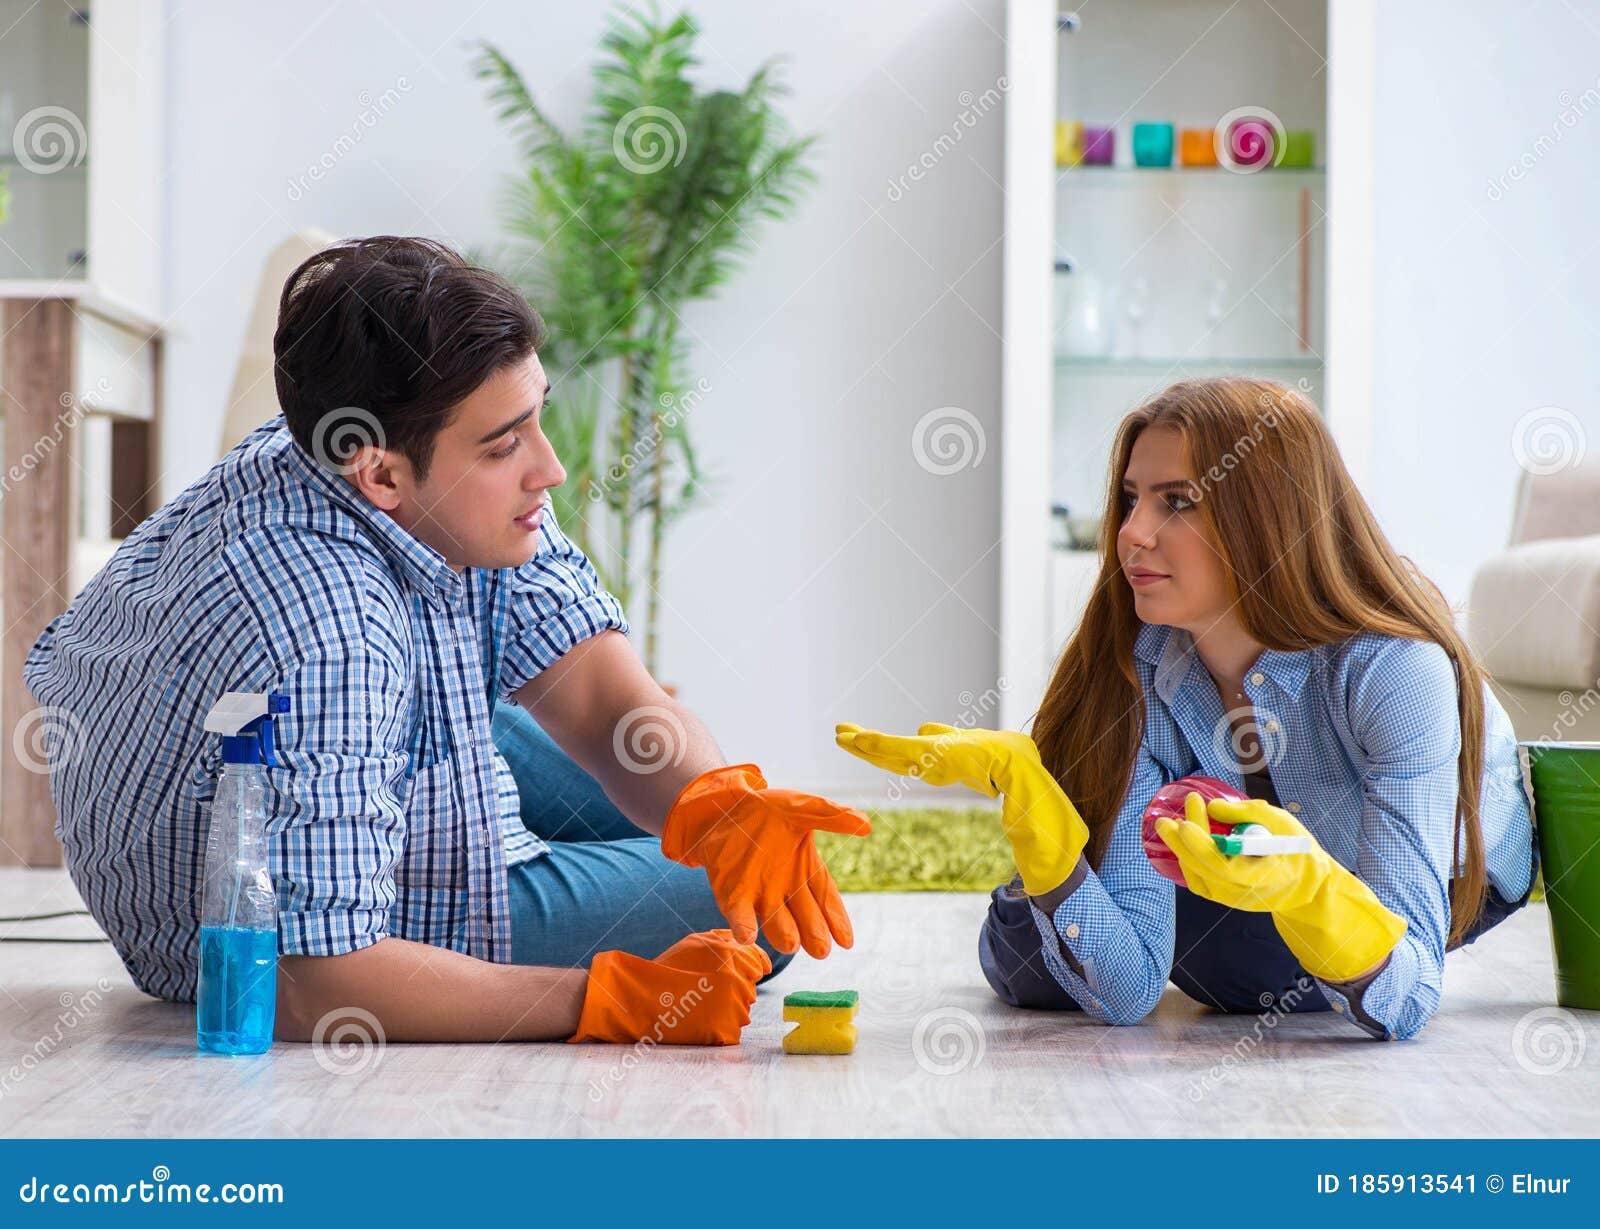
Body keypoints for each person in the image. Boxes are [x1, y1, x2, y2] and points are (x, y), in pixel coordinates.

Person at [25, 236, 869, 1046]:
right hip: (276, 920)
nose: (549, 468)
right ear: (381, 475)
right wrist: (607, 1001)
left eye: (534, 419)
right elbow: (314, 980)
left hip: (350, 744)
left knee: (733, 847)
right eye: (505, 445)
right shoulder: (331, 632)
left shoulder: (366, 437)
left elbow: (601, 694)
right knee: (750, 916)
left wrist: (715, 802)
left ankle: (638, 844)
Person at [838, 377, 1535, 1040]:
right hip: (1262, 859)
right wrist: (1041, 826)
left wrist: (1312, 890)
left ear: (1267, 518)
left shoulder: (1393, 669)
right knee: (1029, 958)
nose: (1132, 533)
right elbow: (1130, 990)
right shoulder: (1144, 663)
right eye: (1132, 497)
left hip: (1457, 875)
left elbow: (1409, 996)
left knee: (1230, 968)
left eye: (1177, 501)